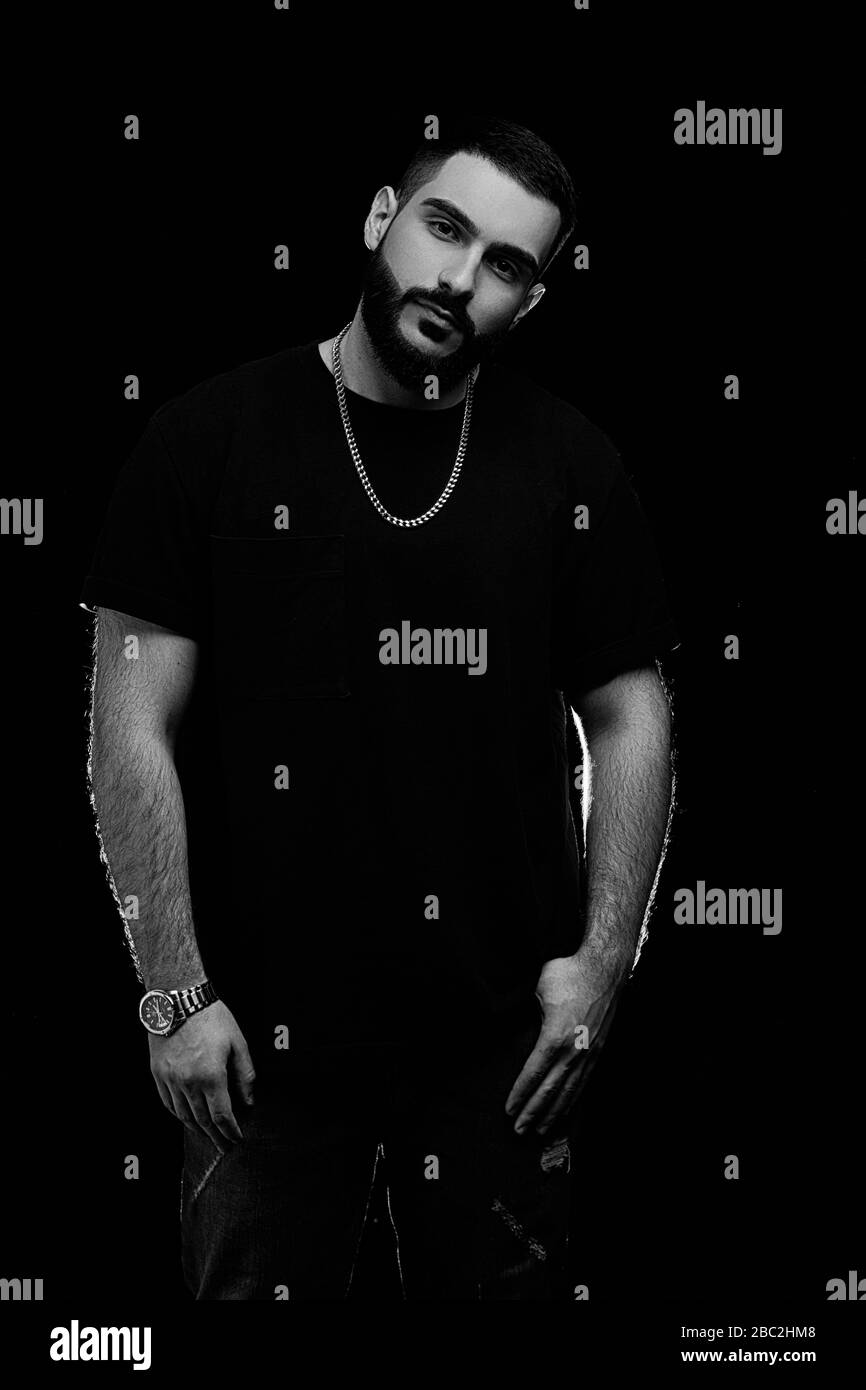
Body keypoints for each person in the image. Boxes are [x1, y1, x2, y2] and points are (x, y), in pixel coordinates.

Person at [81, 115, 679, 1300]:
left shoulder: (571, 465)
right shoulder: (204, 441)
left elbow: (633, 715)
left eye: (505, 264)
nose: (459, 277)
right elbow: (126, 726)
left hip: (501, 1047)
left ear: (530, 303)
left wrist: (601, 963)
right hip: (252, 1045)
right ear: (378, 221)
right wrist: (173, 990)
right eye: (443, 227)